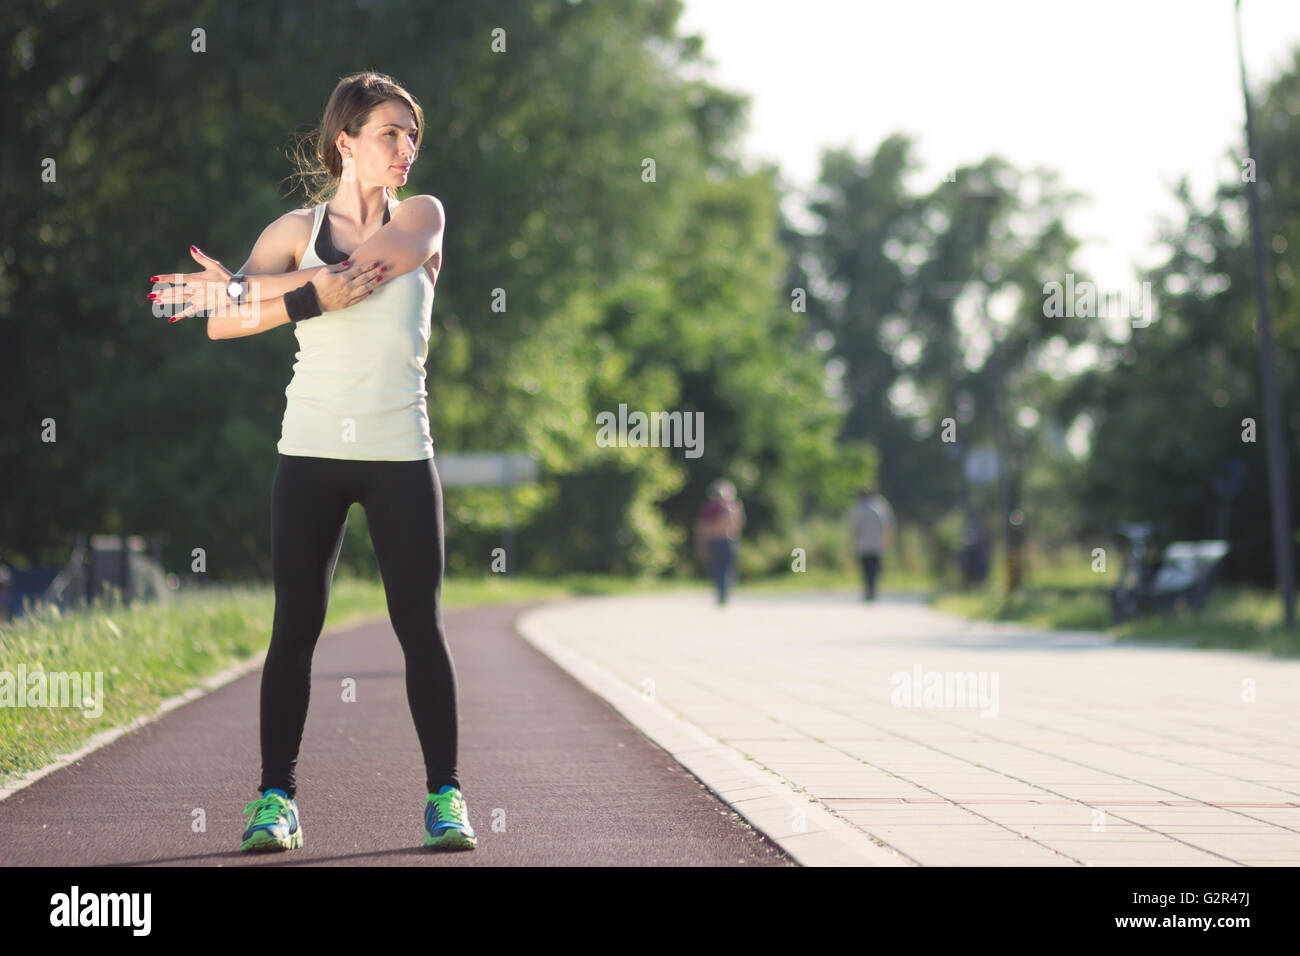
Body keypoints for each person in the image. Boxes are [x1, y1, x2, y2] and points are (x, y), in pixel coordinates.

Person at [149, 72, 474, 852]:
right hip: (310, 452)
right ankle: (275, 801)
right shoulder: (293, 228)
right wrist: (271, 297)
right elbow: (222, 328)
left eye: (412, 135)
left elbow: (353, 281)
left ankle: (446, 798)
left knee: (419, 626)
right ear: (347, 143)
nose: (406, 147)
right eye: (391, 132)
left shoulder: (422, 217)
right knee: (294, 625)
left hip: (400, 451)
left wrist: (246, 292)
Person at [696, 479, 745, 605]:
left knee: (725, 570)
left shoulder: (730, 508)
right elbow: (704, 528)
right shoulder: (714, 509)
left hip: (725, 541)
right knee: (721, 570)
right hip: (719, 541)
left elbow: (737, 524)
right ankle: (722, 594)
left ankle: (723, 594)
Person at [849, 487, 894, 601]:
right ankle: (872, 590)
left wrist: (853, 543)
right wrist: (886, 542)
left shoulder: (858, 509)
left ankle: (868, 590)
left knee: (866, 569)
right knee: (874, 569)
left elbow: (855, 529)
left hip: (863, 545)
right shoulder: (878, 508)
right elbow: (886, 527)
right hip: (876, 544)